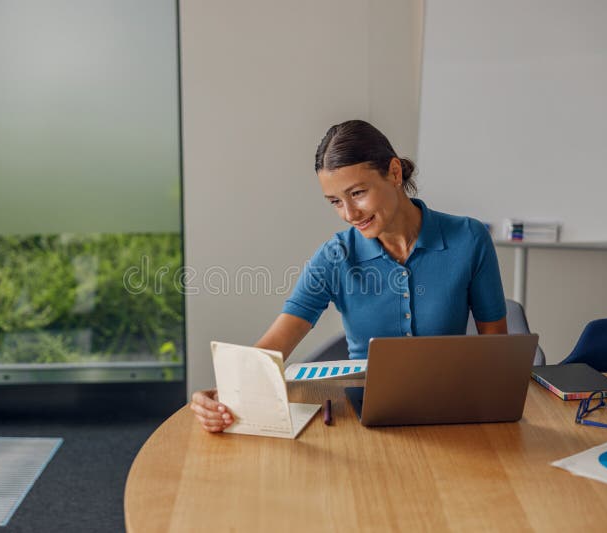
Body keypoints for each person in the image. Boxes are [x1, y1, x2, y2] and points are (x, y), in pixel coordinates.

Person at [190, 119, 508, 432]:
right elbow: (275, 344)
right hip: (364, 424)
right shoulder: (335, 257)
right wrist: (222, 394)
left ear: (394, 173)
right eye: (335, 202)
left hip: (454, 419)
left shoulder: (469, 238)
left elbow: (497, 353)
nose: (349, 214)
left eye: (357, 193)